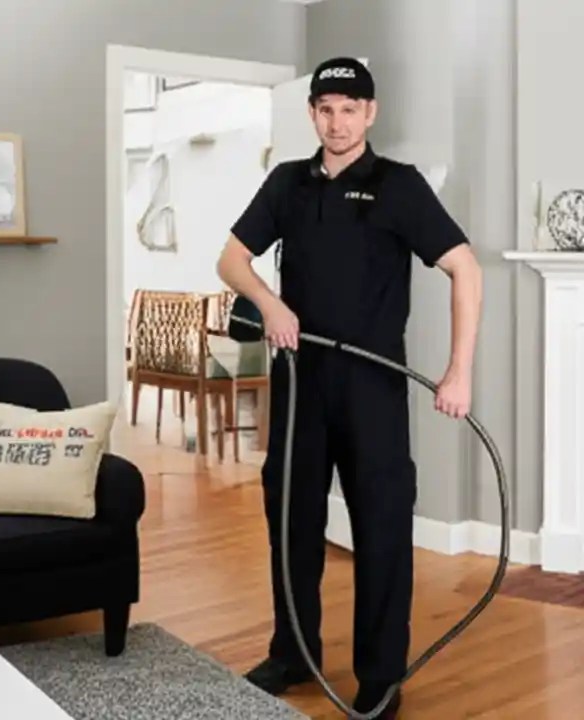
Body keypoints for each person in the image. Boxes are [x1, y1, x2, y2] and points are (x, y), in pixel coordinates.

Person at [216, 57, 482, 718]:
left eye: (349, 110)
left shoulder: (400, 187)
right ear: (313, 114)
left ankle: (380, 677)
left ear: (371, 113)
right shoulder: (287, 184)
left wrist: (459, 371)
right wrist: (270, 305)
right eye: (326, 110)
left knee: (383, 530)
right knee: (291, 522)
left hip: (375, 389)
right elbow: (230, 260)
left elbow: (466, 269)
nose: (337, 122)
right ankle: (293, 654)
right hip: (302, 382)